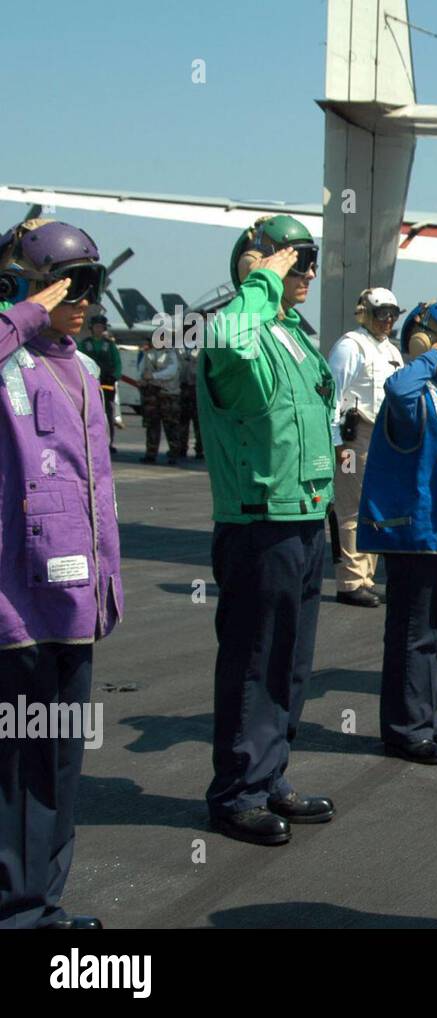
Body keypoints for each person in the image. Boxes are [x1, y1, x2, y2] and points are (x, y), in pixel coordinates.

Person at [196, 214, 337, 846]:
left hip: (304, 519)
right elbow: (229, 341)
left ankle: (269, 772)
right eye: (295, 260)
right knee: (255, 662)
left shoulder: (290, 336)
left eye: (309, 262)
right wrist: (259, 282)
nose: (306, 271)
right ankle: (237, 792)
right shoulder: (238, 328)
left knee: (291, 663)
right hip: (260, 524)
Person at [0, 220, 120, 929]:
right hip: (17, 608)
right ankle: (16, 913)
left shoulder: (78, 367)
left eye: (91, 284)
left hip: (75, 602)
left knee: (60, 765)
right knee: (17, 772)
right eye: (70, 283)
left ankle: (43, 903)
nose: (82, 299)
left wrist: (106, 589)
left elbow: (96, 491)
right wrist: (25, 308)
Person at [358, 304, 437, 764]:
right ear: (423, 342)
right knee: (415, 635)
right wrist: (430, 355)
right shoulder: (413, 390)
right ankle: (405, 729)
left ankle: (427, 718)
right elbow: (399, 384)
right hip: (419, 539)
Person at [327, 287, 404, 608]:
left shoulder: (391, 351)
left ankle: (366, 578)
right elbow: (332, 395)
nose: (386, 320)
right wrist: (335, 444)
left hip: (382, 439)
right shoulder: (350, 346)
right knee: (350, 511)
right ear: (365, 314)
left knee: (373, 512)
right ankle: (349, 581)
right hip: (353, 438)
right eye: (380, 313)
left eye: (392, 314)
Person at [79, 314, 121, 453]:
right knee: (86, 412)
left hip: (106, 383)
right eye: (96, 326)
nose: (98, 329)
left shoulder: (109, 345)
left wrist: (114, 376)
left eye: (101, 327)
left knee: (108, 413)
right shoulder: (84, 344)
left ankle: (108, 442)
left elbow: (117, 363)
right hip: (88, 383)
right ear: (92, 328)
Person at [138, 341, 183, 464]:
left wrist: (153, 376)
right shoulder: (148, 354)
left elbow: (171, 372)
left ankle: (174, 454)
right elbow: (141, 369)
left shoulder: (172, 354)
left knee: (171, 426)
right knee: (152, 426)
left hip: (168, 395)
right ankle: (150, 454)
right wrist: (141, 379)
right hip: (152, 395)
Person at [178, 344, 203, 460]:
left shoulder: (202, 349)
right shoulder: (179, 348)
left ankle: (200, 449)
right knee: (182, 421)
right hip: (183, 388)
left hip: (197, 389)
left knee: (199, 423)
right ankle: (181, 448)